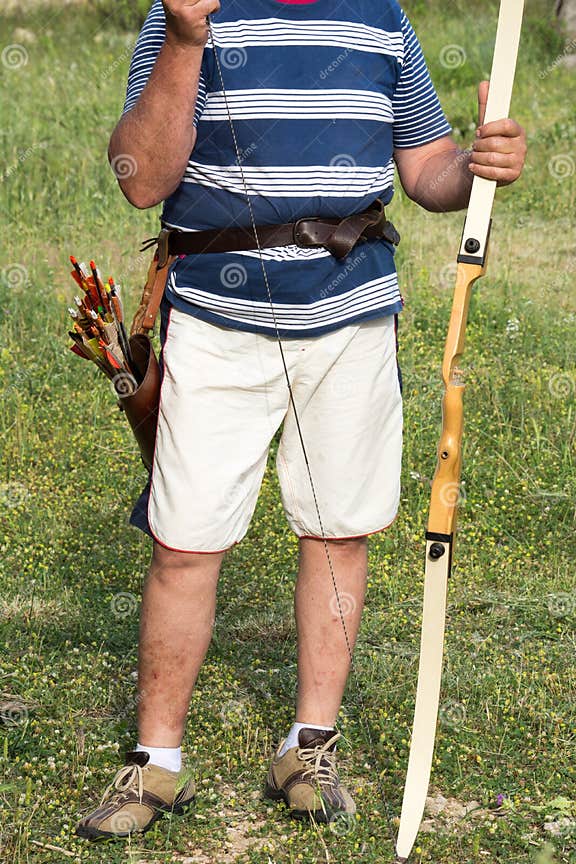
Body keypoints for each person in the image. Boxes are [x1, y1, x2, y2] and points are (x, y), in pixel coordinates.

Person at [75, 0, 526, 840]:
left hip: (350, 316)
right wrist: (184, 39)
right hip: (216, 317)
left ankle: (308, 748)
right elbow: (141, 179)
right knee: (185, 542)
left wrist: (476, 165)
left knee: (337, 529)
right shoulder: (185, 13)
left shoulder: (379, 17)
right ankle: (156, 760)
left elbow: (426, 169)